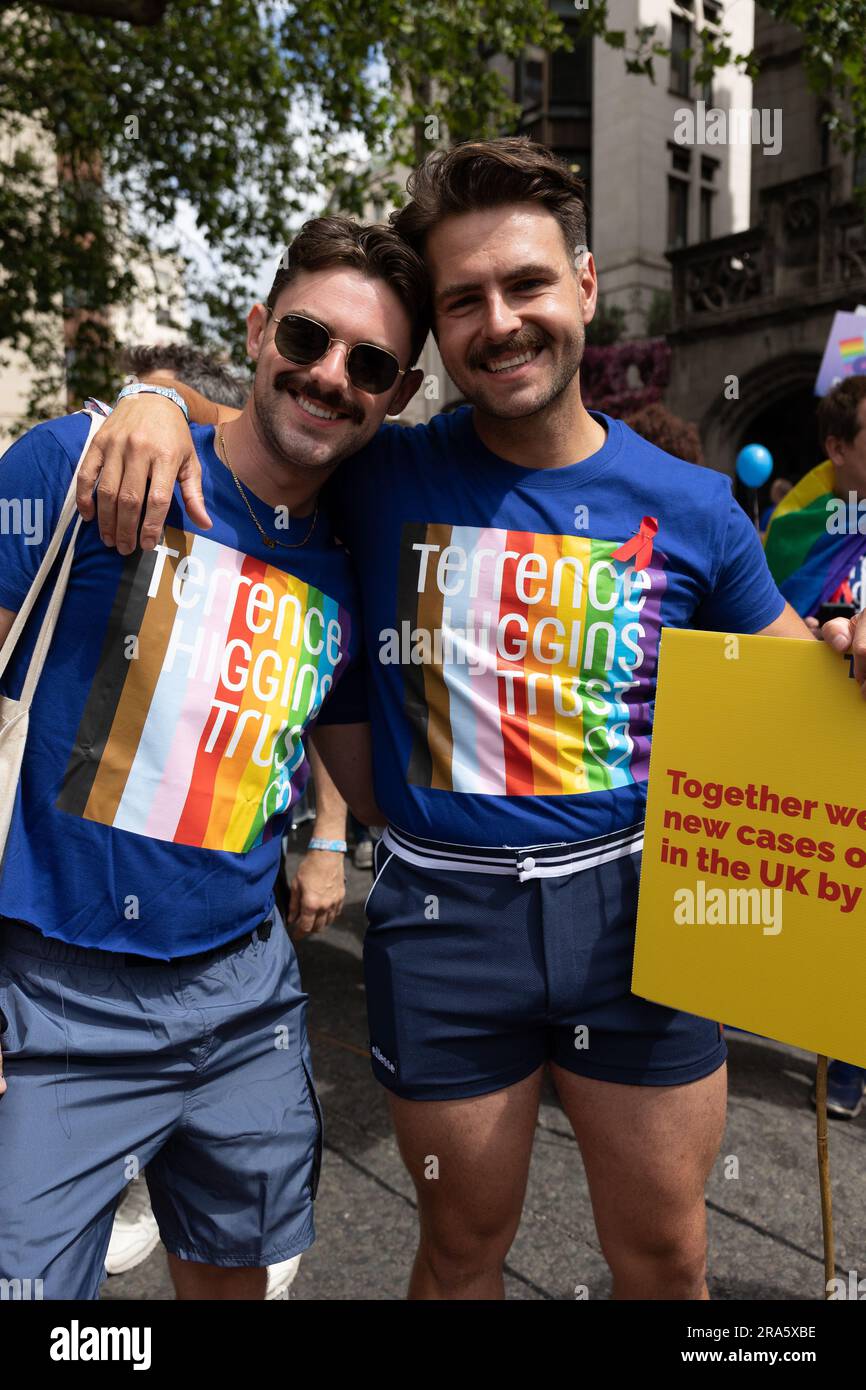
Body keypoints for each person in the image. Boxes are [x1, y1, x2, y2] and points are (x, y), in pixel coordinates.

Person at [76, 137, 864, 1301]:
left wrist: (851, 652)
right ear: (437, 332)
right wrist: (143, 399)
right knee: (457, 1255)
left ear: (583, 288)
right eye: (462, 300)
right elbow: (254, 415)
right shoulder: (381, 469)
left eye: (526, 284)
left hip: (642, 923)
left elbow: (808, 697)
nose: (499, 320)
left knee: (664, 1257)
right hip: (446, 923)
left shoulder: (694, 508)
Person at [0, 217, 426, 1299]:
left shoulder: (341, 565)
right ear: (254, 328)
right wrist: (149, 393)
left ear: (399, 392)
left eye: (368, 364)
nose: (330, 376)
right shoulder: (80, 465)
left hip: (245, 1002)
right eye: (306, 336)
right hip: (51, 1001)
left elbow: (377, 785)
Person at [763, 376, 866, 1119]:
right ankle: (849, 1058)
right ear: (837, 448)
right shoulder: (800, 524)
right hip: (830, 747)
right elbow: (760, 633)